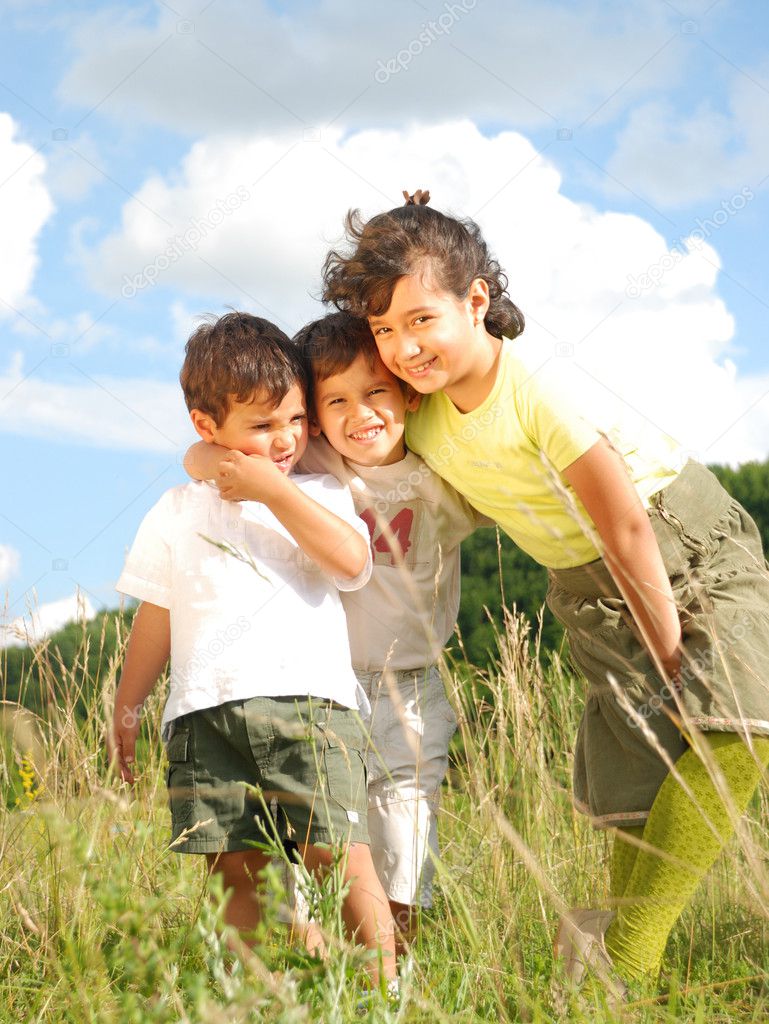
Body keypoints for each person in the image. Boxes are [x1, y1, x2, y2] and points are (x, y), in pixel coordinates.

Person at [319, 190, 769, 993]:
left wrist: (667, 652)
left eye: (422, 319)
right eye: (385, 330)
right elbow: (334, 411)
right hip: (586, 588)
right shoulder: (416, 416)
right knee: (640, 786)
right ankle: (612, 968)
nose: (403, 347)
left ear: (476, 301)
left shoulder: (537, 390)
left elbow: (627, 525)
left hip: (678, 549)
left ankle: (624, 955)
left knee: (742, 725)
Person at [185, 310, 487, 955]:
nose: (362, 414)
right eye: (339, 401)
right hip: (319, 690)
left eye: (376, 392)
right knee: (319, 837)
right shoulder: (317, 461)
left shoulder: (444, 474)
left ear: (407, 393)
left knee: (404, 832)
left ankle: (393, 968)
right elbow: (205, 453)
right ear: (317, 417)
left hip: (410, 688)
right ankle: (321, 955)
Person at [110, 311, 396, 990]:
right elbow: (157, 611)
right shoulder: (178, 508)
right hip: (202, 716)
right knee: (233, 875)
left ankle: (386, 992)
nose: (286, 440)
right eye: (262, 427)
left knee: (342, 857)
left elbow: (352, 561)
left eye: (296, 420)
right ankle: (256, 996)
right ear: (206, 427)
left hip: (308, 709)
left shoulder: (319, 490)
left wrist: (272, 487)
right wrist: (128, 703)